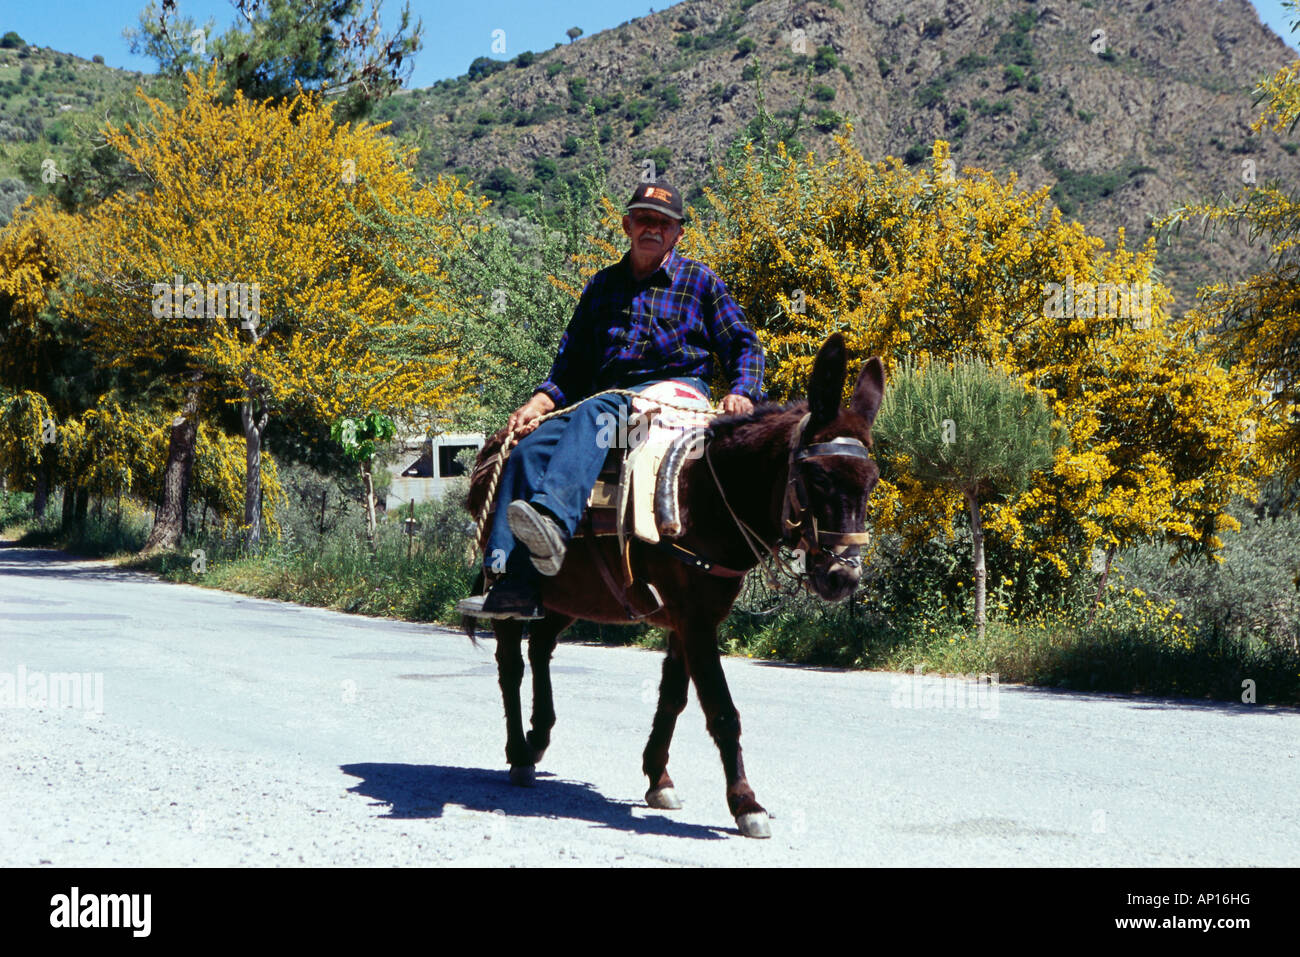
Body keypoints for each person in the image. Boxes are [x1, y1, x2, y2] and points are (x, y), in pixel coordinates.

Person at [459, 179, 765, 619]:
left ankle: (551, 522)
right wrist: (539, 403)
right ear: (627, 225)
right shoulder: (602, 286)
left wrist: (742, 391)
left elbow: (743, 344)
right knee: (527, 452)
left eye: (664, 223)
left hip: (675, 396)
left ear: (678, 233)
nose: (653, 229)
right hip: (606, 400)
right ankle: (510, 579)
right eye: (644, 219)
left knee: (598, 411)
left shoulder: (700, 282)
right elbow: (571, 365)